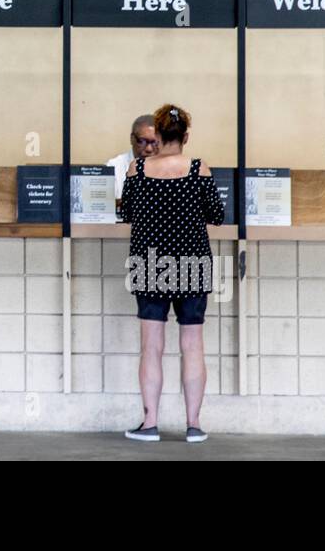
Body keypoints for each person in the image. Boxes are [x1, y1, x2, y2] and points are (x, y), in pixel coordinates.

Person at [119, 103, 223, 444]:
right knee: (192, 345)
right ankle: (193, 425)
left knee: (152, 346)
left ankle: (150, 424)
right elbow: (217, 215)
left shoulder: (139, 168)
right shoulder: (199, 168)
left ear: (158, 135)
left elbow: (128, 213)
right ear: (186, 136)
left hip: (149, 264)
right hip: (193, 263)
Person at [107, 114, 159, 204]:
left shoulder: (168, 168)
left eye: (155, 142)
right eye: (142, 141)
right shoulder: (113, 167)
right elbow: (105, 207)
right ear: (132, 138)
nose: (149, 149)